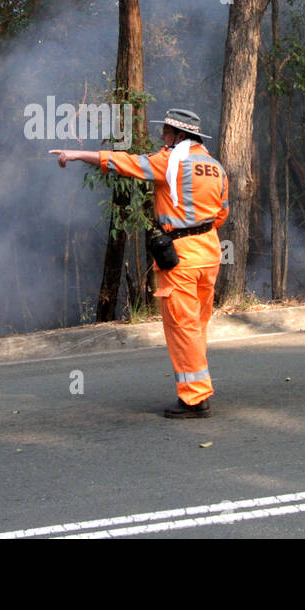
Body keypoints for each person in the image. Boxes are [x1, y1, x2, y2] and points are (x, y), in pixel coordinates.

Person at [51, 108, 229, 418]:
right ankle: (198, 390)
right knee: (197, 324)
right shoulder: (215, 167)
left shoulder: (171, 160)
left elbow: (125, 163)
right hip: (210, 252)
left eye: (167, 133)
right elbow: (222, 212)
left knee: (182, 327)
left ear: (180, 136)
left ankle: (194, 399)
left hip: (181, 257)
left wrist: (78, 153)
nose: (162, 137)